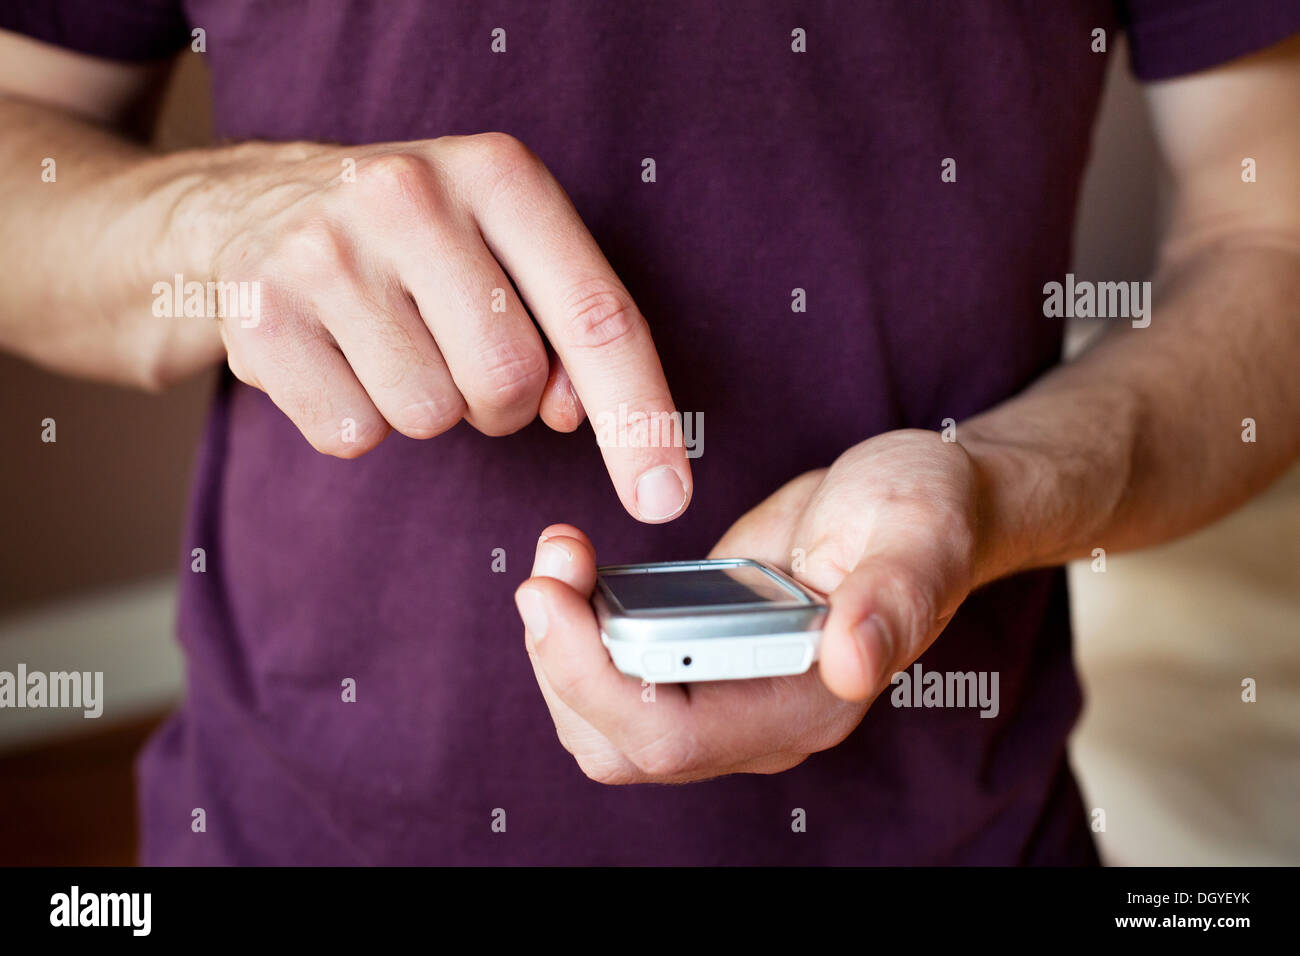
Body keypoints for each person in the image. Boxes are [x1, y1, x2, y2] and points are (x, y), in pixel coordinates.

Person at [1, 3, 1297, 865]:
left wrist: (1000, 487)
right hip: (287, 826)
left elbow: (1273, 234)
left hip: (957, 833)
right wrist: (215, 225)